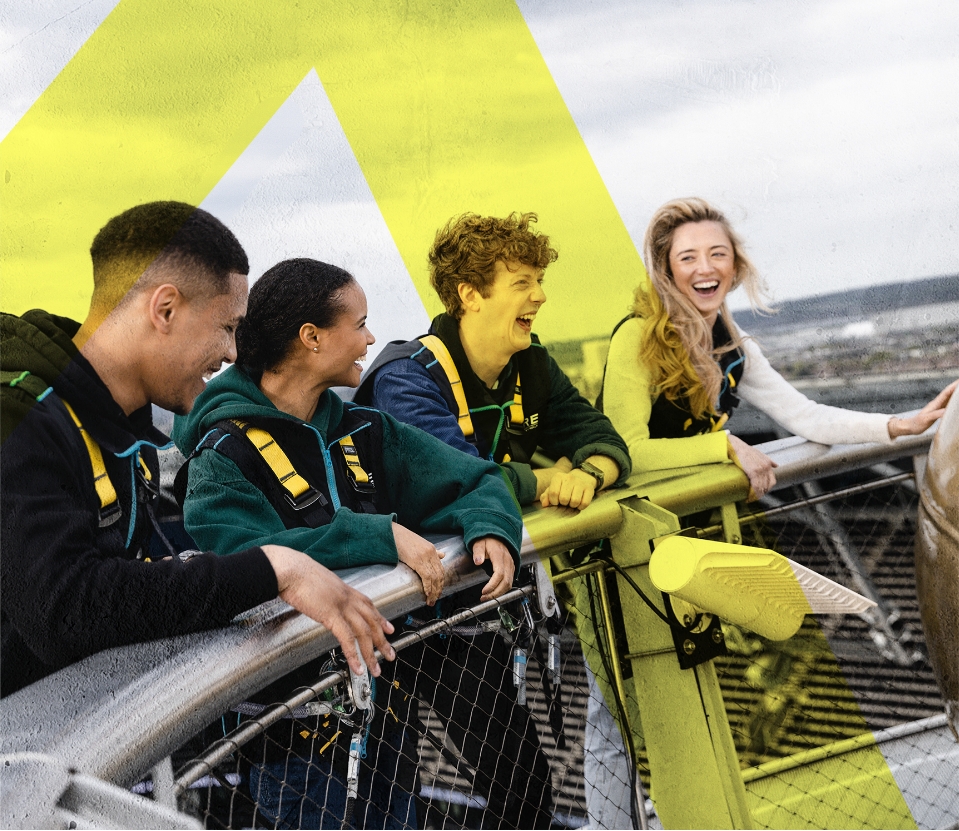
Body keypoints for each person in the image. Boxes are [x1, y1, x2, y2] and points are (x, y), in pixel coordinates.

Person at [588, 196, 958, 829]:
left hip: (682, 546)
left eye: (718, 255)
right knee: (616, 708)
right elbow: (624, 454)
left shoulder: (731, 343)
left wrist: (899, 424)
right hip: (611, 549)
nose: (705, 268)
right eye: (688, 257)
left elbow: (806, 417)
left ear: (734, 265)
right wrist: (723, 444)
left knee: (691, 697)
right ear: (663, 269)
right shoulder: (636, 340)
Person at [172, 257, 522, 829]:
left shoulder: (366, 428)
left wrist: (490, 527)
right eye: (359, 323)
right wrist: (379, 534)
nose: (372, 337)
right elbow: (248, 557)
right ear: (311, 338)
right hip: (292, 731)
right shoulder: (219, 457)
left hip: (384, 706)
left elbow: (476, 478)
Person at [0, 202, 395, 700]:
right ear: (164, 310)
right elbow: (63, 610)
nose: (232, 353)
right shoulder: (16, 417)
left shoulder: (127, 439)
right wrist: (271, 568)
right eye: (227, 327)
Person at [355, 211, 632, 829]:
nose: (540, 296)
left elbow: (600, 436)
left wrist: (589, 475)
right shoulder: (407, 378)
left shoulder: (527, 365)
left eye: (539, 280)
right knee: (379, 801)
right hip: (394, 611)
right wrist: (544, 481)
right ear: (469, 295)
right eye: (522, 282)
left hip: (457, 613)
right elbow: (451, 480)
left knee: (522, 787)